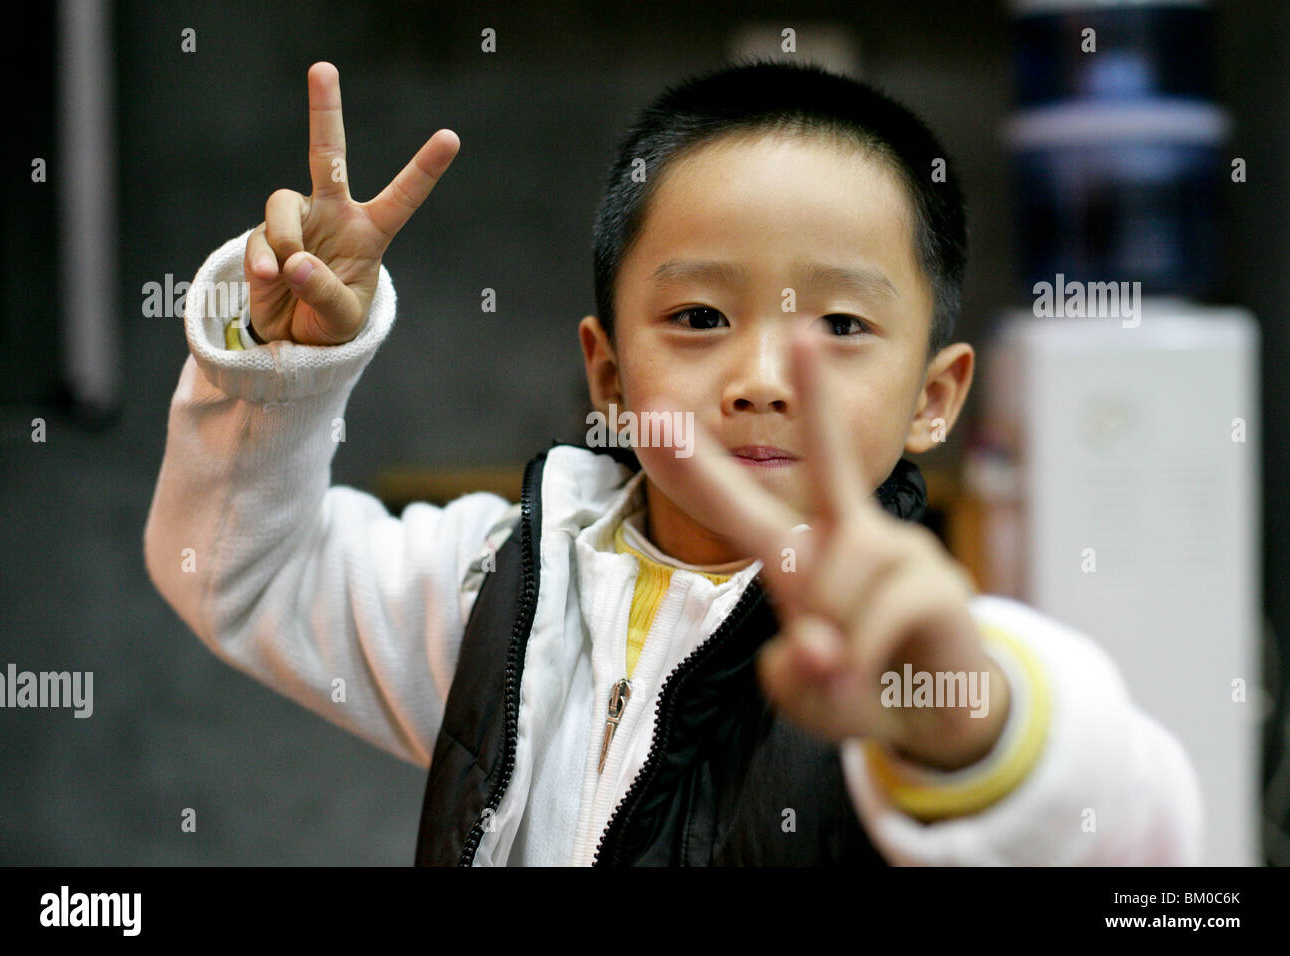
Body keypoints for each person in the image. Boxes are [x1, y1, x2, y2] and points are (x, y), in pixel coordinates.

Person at [144, 58, 1202, 865]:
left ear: (932, 397)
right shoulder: (497, 582)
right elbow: (236, 569)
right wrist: (282, 357)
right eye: (700, 314)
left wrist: (979, 726)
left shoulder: (901, 651)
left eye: (838, 324)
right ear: (607, 377)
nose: (760, 376)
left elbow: (1154, 841)